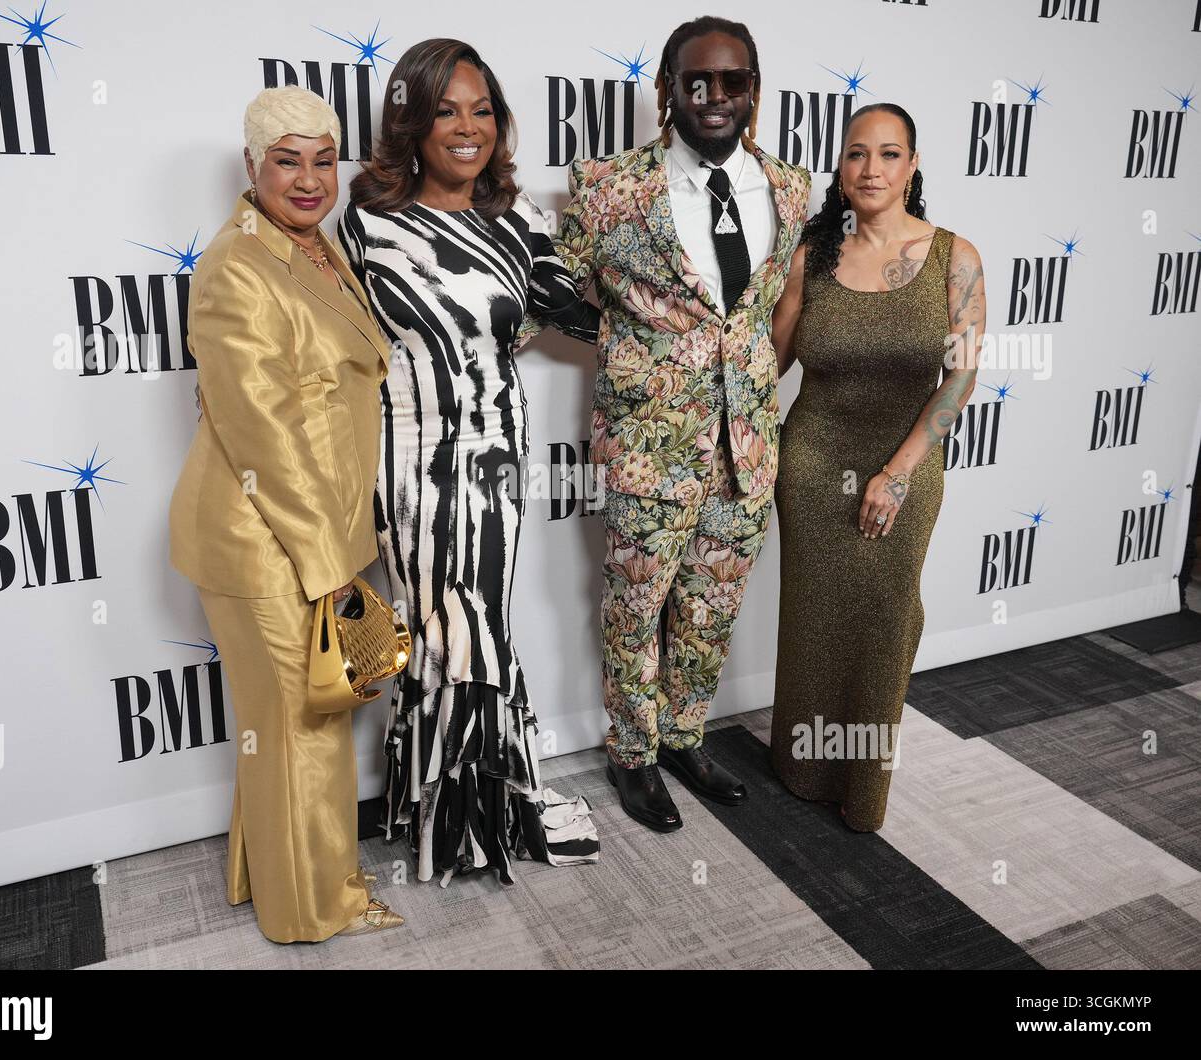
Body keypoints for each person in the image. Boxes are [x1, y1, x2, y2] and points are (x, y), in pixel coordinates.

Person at [337, 39, 602, 885]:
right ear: (410, 119)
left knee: (478, 618)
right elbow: (323, 336)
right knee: (434, 623)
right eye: (445, 109)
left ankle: (475, 806)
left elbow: (591, 315)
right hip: (406, 455)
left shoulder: (517, 220)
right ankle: (442, 812)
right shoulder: (363, 222)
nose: (466, 127)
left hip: (493, 452)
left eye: (482, 109)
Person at [553, 16, 811, 832]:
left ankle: (684, 737)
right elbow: (554, 290)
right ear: (667, 89)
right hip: (646, 452)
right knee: (636, 608)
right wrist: (637, 353)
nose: (715, 96)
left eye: (734, 81)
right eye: (697, 80)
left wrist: (754, 387)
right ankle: (633, 753)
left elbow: (774, 311)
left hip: (747, 450)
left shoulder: (792, 188)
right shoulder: (608, 187)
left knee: (709, 610)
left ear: (754, 94)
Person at [168, 85, 404, 940]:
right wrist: (329, 566)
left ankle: (260, 880)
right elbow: (260, 436)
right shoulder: (235, 266)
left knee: (277, 724)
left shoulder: (313, 246)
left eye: (322, 160)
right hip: (264, 536)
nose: (308, 180)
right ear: (250, 165)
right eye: (285, 160)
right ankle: (317, 912)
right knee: (305, 725)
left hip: (309, 529)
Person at [768, 102, 985, 832]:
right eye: (857, 154)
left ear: (912, 165)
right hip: (812, 459)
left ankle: (862, 789)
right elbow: (769, 362)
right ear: (841, 166)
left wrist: (896, 472)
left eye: (889, 155)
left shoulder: (955, 259)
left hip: (909, 459)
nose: (871, 169)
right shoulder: (812, 257)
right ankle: (801, 766)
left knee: (888, 616)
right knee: (812, 618)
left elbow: (960, 379)